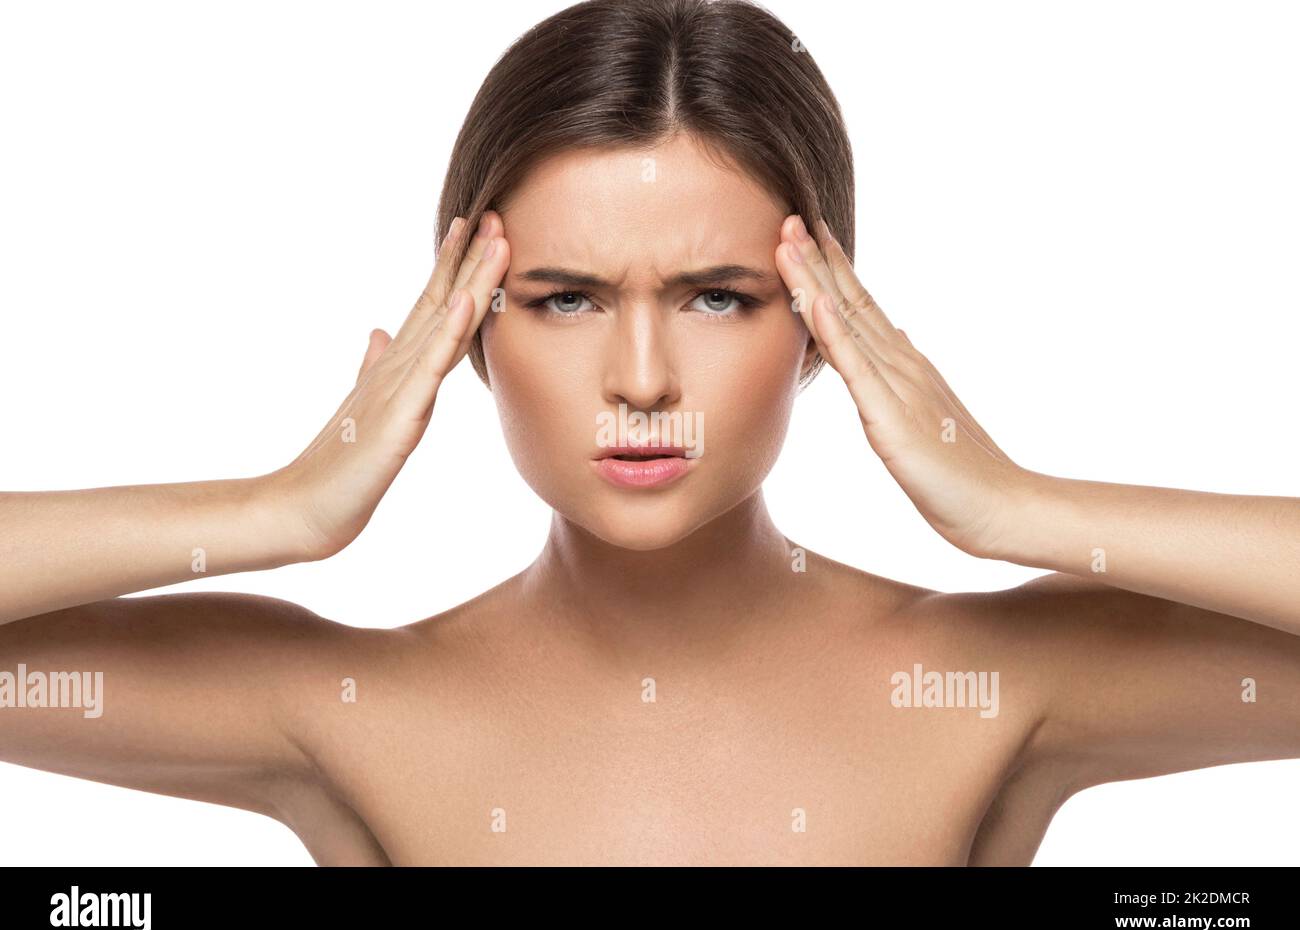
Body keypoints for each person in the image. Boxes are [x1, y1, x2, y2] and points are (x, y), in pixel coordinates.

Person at [2, 0, 1297, 866]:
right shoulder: (343, 708)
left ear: (825, 325)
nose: (639, 376)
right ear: (466, 329)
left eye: (717, 298)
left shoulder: (1005, 683)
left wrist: (1023, 510)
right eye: (564, 299)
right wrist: (273, 512)